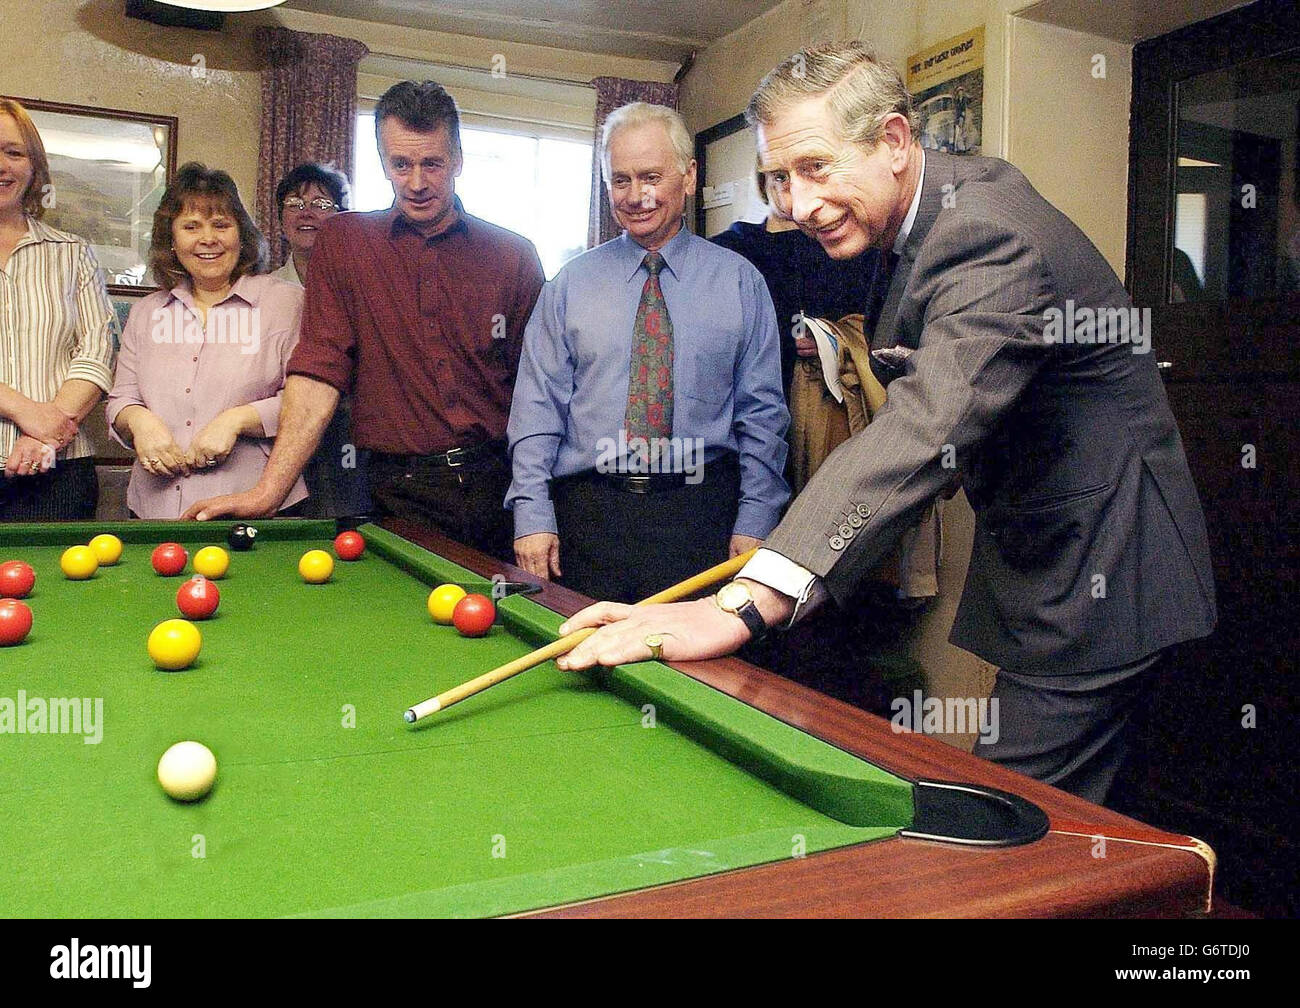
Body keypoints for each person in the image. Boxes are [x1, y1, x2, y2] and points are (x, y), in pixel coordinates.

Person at [557, 42, 1217, 806]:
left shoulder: (986, 233)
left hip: (1108, 566)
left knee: (1008, 828)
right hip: (1058, 558)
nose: (797, 205)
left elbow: (924, 426)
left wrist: (743, 603)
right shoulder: (923, 216)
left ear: (897, 142)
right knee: (1082, 819)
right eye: (780, 178)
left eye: (816, 167)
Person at [184, 81, 545, 561]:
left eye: (432, 163)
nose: (416, 182)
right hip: (390, 494)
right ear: (382, 161)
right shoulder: (345, 242)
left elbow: (539, 393)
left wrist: (535, 513)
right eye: (400, 164)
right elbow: (318, 370)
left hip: (494, 489)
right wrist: (268, 492)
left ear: (458, 159)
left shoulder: (513, 255)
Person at [507, 103, 789, 602]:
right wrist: (532, 514)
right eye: (620, 181)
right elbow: (536, 410)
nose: (636, 197)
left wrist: (757, 519)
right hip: (588, 518)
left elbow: (763, 417)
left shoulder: (741, 282)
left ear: (689, 174)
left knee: (705, 675)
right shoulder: (569, 285)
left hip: (703, 516)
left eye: (651, 177)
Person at [106, 163, 308, 518]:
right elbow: (122, 398)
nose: (207, 239)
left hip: (254, 509)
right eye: (191, 227)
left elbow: (309, 401)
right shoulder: (146, 312)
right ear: (171, 239)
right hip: (153, 511)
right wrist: (140, 422)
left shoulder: (287, 302)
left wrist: (237, 420)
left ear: (241, 235)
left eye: (221, 225)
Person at [0, 98, 114, 519]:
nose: (2, 166)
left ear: (34, 167)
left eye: (14, 152)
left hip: (62, 472)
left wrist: (47, 435)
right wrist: (23, 409)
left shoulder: (73, 253)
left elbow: (97, 350)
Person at [711, 167, 877, 396]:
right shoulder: (729, 249)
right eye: (780, 177)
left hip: (832, 403)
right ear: (764, 181)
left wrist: (832, 340)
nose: (794, 186)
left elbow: (876, 325)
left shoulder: (849, 244)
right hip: (751, 399)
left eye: (808, 172)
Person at [272, 162, 370, 518]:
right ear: (282, 219)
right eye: (295, 204)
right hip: (277, 429)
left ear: (341, 216)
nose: (307, 213)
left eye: (321, 204)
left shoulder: (363, 284)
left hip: (347, 433)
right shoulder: (263, 290)